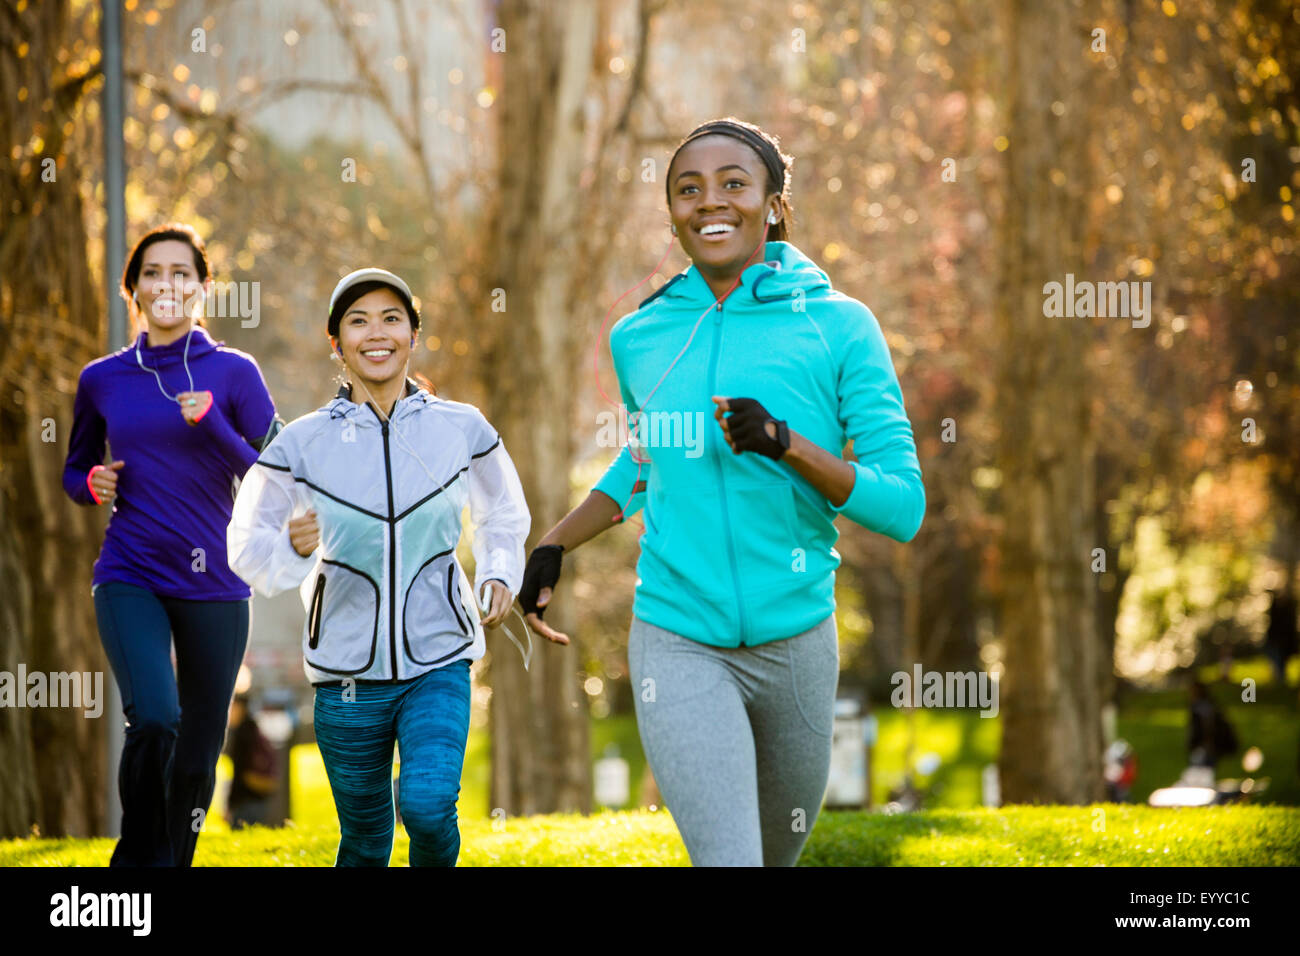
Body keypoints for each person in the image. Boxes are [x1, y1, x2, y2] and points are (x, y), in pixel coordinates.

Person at [519, 118, 926, 865]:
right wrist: (554, 542)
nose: (712, 202)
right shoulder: (639, 336)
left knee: (773, 859)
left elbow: (901, 506)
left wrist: (788, 445)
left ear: (772, 201)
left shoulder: (840, 327)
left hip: (799, 641)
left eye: (734, 183)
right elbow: (646, 461)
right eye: (689, 189)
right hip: (677, 634)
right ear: (673, 212)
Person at [227, 268, 535, 866]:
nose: (377, 332)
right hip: (345, 672)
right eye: (358, 320)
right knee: (366, 840)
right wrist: (292, 548)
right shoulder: (301, 444)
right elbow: (247, 544)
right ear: (336, 342)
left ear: (413, 336)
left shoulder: (461, 427)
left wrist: (499, 571)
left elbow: (503, 513)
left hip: (440, 656)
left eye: (392, 318)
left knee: (425, 806)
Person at [62, 222, 281, 866]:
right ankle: (134, 865)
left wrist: (211, 422)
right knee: (155, 716)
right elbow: (76, 470)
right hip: (130, 573)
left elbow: (275, 474)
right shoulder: (102, 379)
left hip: (216, 582)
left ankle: (168, 867)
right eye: (152, 273)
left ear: (202, 288)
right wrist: (90, 483)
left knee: (198, 748)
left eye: (181, 272)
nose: (166, 284)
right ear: (133, 290)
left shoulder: (235, 373)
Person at [225, 694, 278, 828]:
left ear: (240, 708)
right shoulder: (254, 728)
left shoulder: (242, 734)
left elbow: (239, 770)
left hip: (244, 799)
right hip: (260, 794)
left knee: (239, 836)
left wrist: (230, 804)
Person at [1187, 679, 1238, 770]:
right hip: (1204, 746)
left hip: (1207, 747)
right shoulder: (1203, 705)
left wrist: (1207, 745)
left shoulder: (1203, 706)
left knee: (1201, 769)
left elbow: (1209, 726)